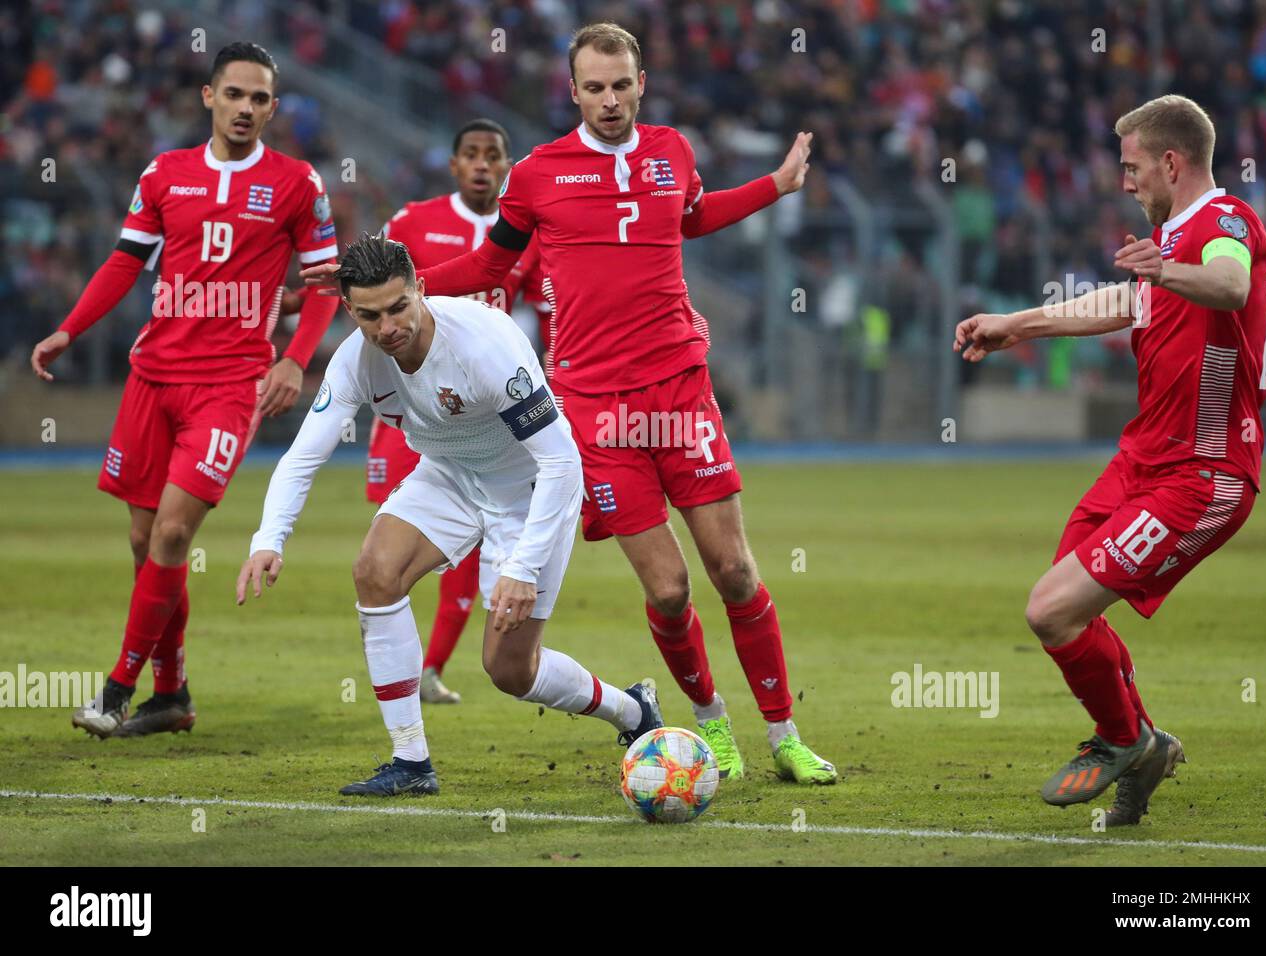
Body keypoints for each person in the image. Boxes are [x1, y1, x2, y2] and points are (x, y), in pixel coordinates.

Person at [305, 22, 835, 784]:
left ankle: (785, 736)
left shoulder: (672, 152)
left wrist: (773, 188)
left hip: (681, 390)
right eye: (594, 87)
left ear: (640, 83)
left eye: (622, 85)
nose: (610, 100)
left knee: (736, 572)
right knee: (670, 587)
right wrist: (391, 281)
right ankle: (714, 726)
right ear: (574, 89)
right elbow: (492, 261)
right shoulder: (539, 173)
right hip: (593, 406)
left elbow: (690, 217)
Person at [238, 235, 662, 796]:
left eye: (398, 307)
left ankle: (631, 711)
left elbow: (560, 460)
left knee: (510, 670)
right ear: (350, 311)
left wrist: (524, 567)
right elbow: (303, 456)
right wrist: (270, 538)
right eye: (369, 315)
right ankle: (410, 762)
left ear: (420, 288)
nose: (387, 327)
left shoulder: (483, 344)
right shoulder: (356, 361)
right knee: (374, 572)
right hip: (448, 475)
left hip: (529, 488)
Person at [954, 94, 1266, 825]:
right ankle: (1142, 744)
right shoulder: (1172, 242)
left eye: (1132, 169)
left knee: (1051, 610)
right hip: (1141, 460)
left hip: (1204, 473)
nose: (1124, 183)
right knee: (1066, 611)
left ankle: (1126, 739)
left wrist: (1162, 271)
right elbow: (1124, 303)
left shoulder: (1227, 224)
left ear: (1171, 162)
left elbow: (1229, 283)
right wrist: (1019, 325)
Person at [31, 42, 340, 738]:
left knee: (174, 531)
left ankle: (115, 691)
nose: (246, 108)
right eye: (235, 94)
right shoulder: (165, 173)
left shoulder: (297, 183)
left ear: (272, 107)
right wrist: (68, 330)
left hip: (229, 387)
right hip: (152, 379)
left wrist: (292, 360)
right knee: (146, 545)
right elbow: (123, 261)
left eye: (261, 98)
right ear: (208, 96)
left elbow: (323, 285)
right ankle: (171, 695)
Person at [283, 118, 546, 705]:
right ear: (454, 165)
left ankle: (429, 667)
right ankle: (404, 671)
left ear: (505, 165)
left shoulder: (526, 237)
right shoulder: (415, 222)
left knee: (472, 538)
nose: (482, 164)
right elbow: (376, 280)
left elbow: (543, 306)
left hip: (486, 405)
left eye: (494, 155)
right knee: (390, 547)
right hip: (411, 407)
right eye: (471, 154)